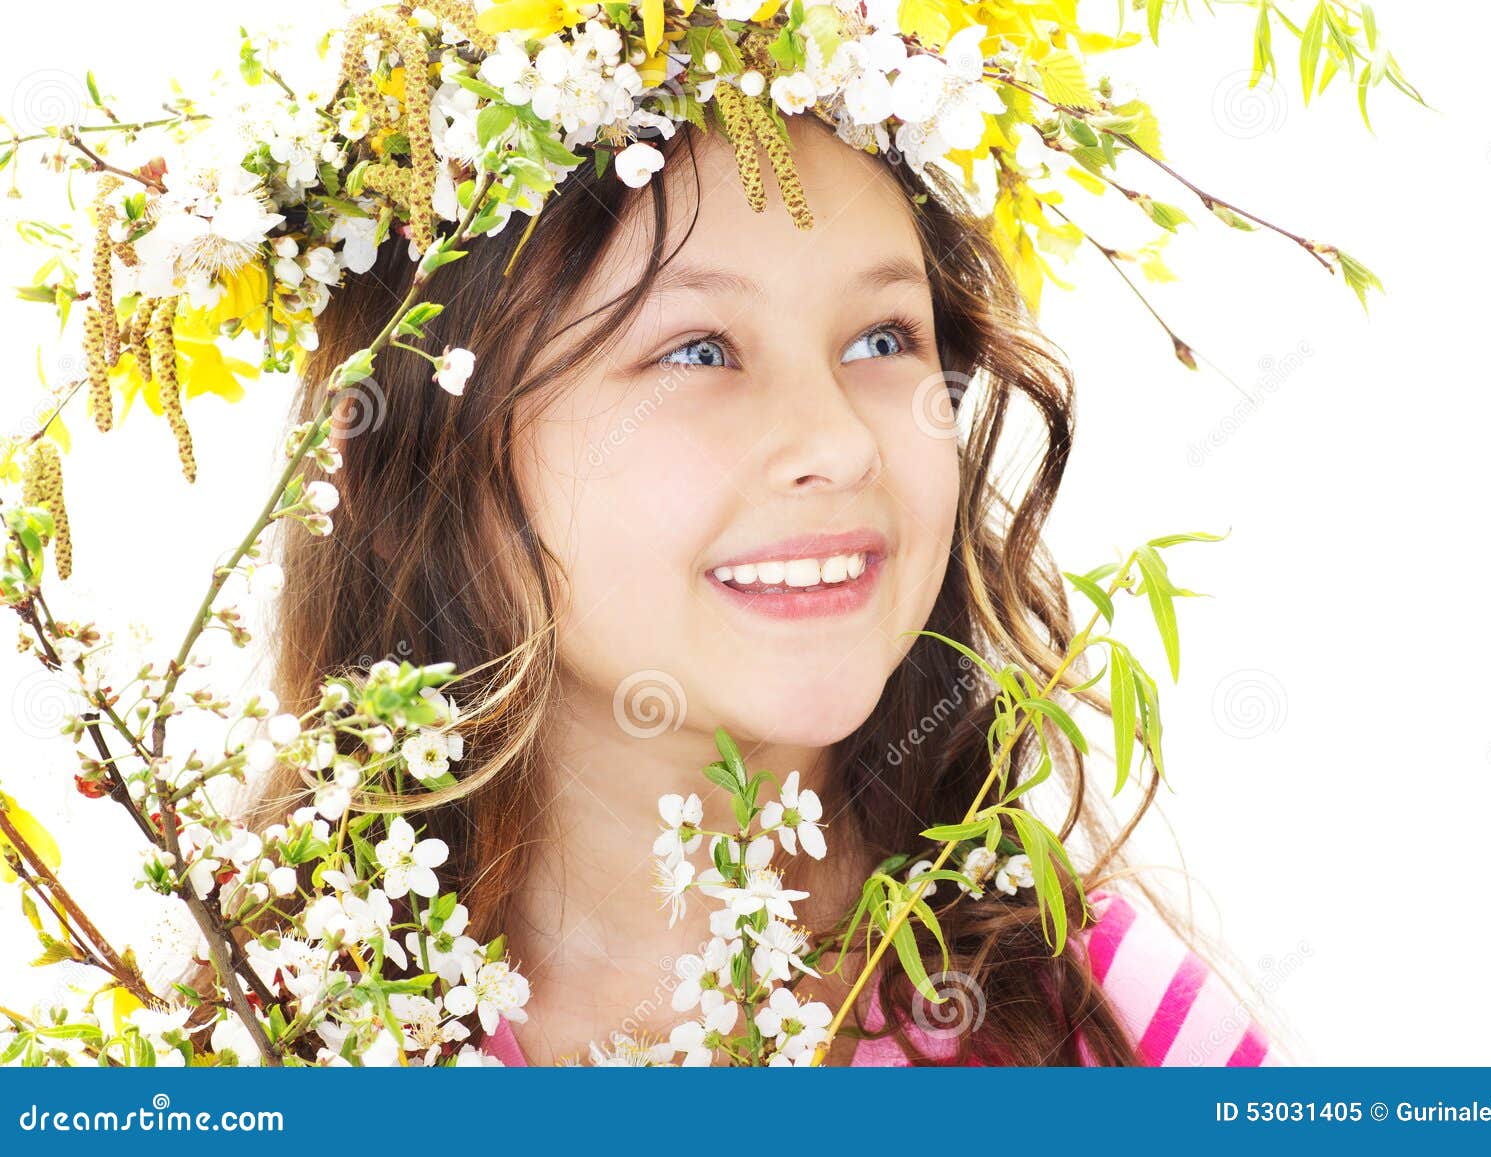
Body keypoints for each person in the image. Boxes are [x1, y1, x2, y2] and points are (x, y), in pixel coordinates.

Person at [257, 107, 1286, 1067]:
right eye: (697, 351)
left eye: (882, 339)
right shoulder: (260, 1027)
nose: (837, 443)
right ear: (410, 469)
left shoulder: (1113, 1033)